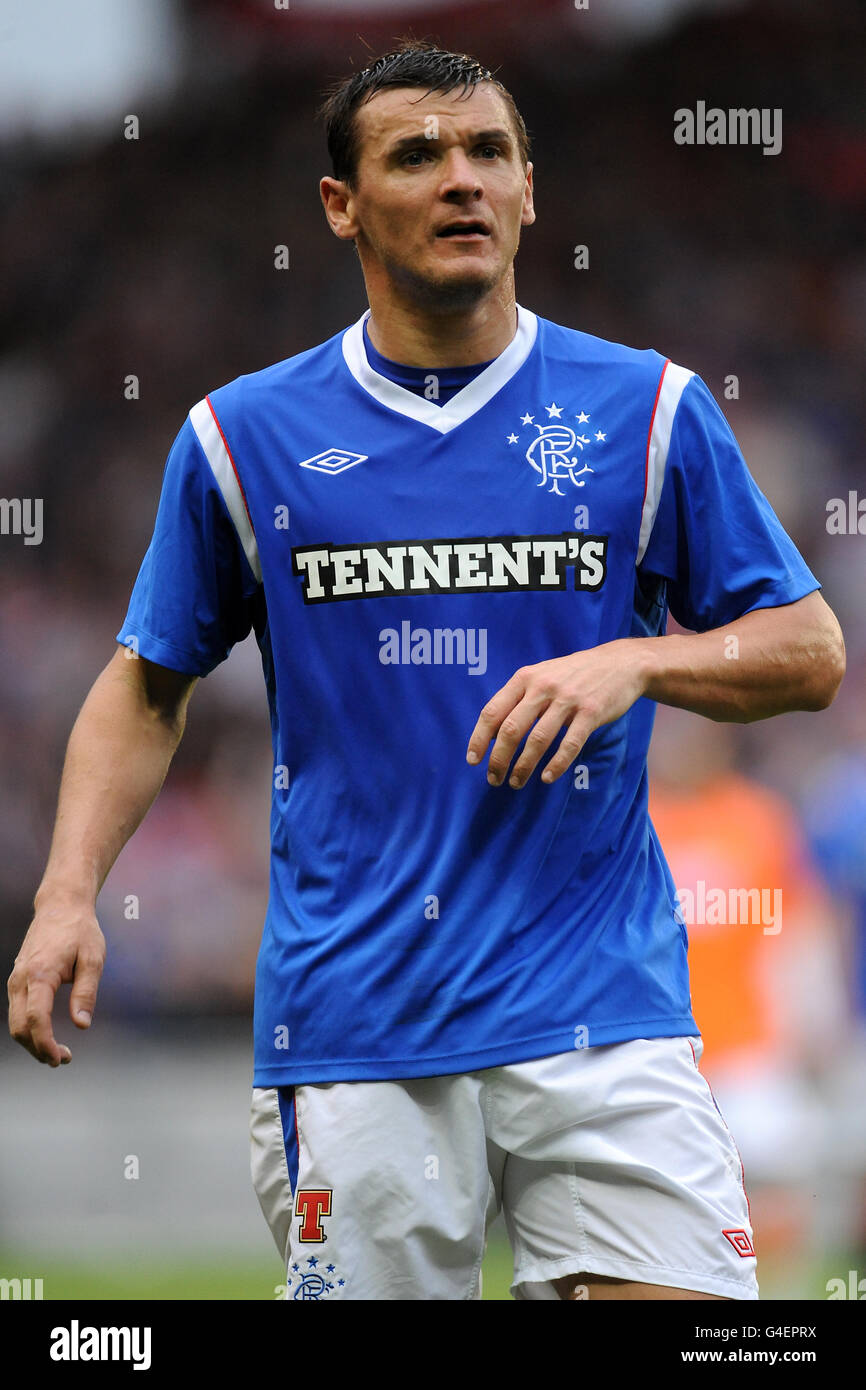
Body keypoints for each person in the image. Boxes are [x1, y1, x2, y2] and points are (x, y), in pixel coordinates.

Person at [7, 40, 845, 1302]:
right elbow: (147, 683)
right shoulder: (243, 439)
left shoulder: (651, 411)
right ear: (340, 206)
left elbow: (810, 649)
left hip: (600, 1007)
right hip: (359, 1025)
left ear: (526, 192)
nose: (461, 180)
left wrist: (636, 659)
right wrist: (69, 893)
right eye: (416, 155)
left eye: (487, 153)